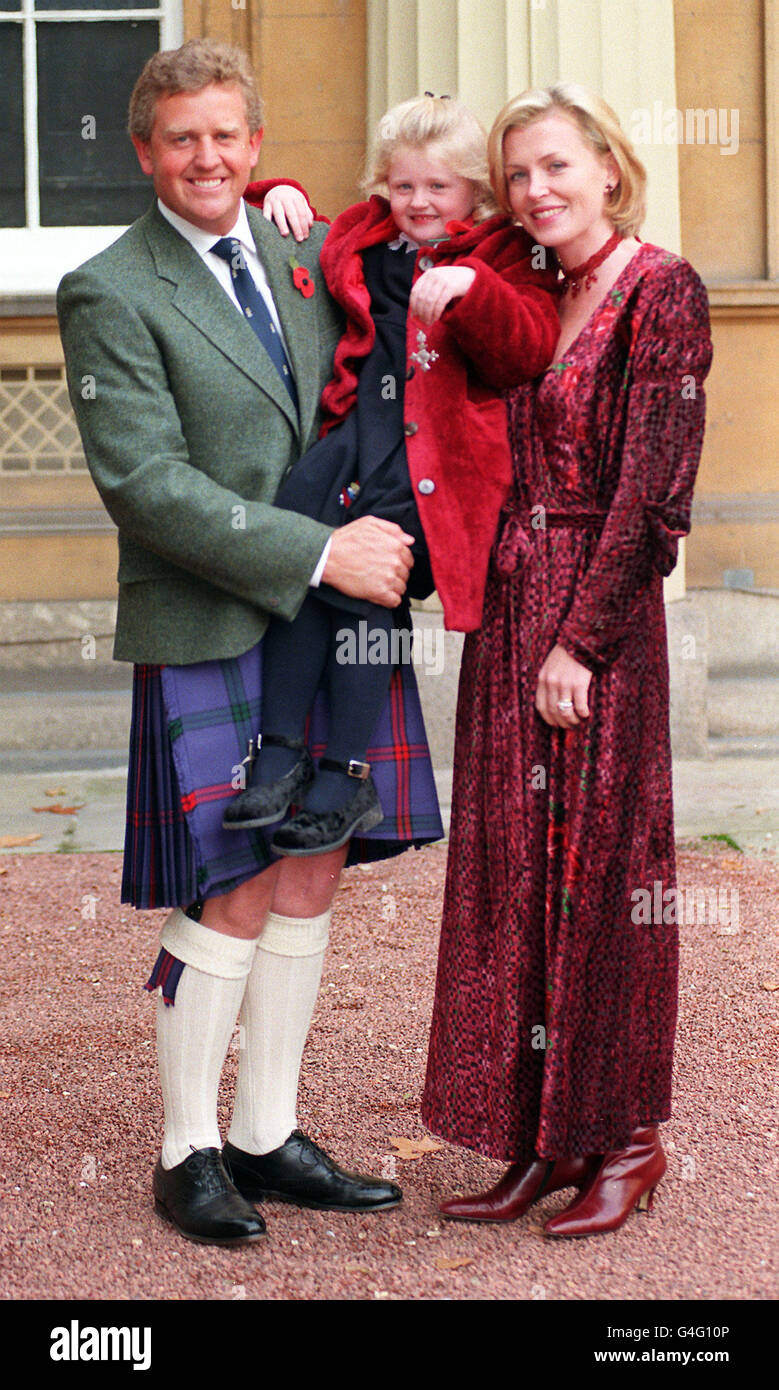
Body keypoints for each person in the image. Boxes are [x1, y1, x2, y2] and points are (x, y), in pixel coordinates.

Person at [57, 38, 441, 1247]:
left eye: (227, 135)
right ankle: (187, 1151)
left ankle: (266, 1132)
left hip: (340, 624)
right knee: (230, 875)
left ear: (257, 144)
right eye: (182, 139)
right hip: (219, 608)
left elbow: (417, 258)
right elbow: (142, 482)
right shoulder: (109, 287)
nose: (207, 156)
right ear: (144, 153)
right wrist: (319, 552)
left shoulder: (299, 246)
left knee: (313, 860)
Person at [421, 82, 713, 1237]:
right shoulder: (529, 289)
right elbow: (394, 229)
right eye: (517, 177)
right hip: (505, 601)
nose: (533, 192)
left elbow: (652, 493)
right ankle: (537, 1140)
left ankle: (626, 1141)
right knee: (509, 880)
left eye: (553, 167)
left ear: (604, 163)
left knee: (600, 879)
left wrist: (578, 645)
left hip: (595, 620)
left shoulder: (662, 289)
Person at [221, 95, 559, 856]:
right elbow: (269, 205)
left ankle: (342, 771)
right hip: (355, 439)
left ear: (475, 191)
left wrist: (476, 294)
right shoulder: (368, 232)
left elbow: (527, 346)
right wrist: (277, 194)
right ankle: (280, 754)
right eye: (403, 187)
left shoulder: (505, 254)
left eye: (438, 188)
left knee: (365, 575)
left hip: (437, 465)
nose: (418, 204)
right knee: (306, 552)